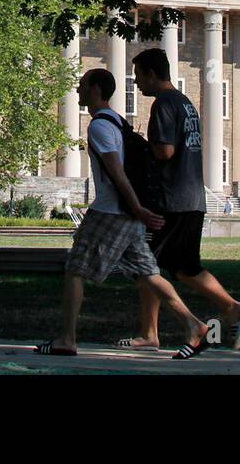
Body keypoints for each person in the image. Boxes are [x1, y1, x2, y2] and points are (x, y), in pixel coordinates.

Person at [36, 67, 212, 359]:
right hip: (127, 214)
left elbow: (117, 174)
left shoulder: (99, 127)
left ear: (95, 90)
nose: (77, 90)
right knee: (149, 274)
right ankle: (195, 326)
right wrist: (138, 211)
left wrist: (138, 209)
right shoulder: (118, 121)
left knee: (75, 269)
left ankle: (66, 339)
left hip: (111, 212)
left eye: (82, 85)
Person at [120, 47, 240, 351]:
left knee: (148, 265)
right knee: (182, 267)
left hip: (171, 200)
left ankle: (222, 313)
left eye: (139, 76)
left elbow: (165, 151)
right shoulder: (185, 103)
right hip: (192, 197)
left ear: (152, 73)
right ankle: (156, 331)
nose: (137, 83)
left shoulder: (164, 104)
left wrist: (139, 144)